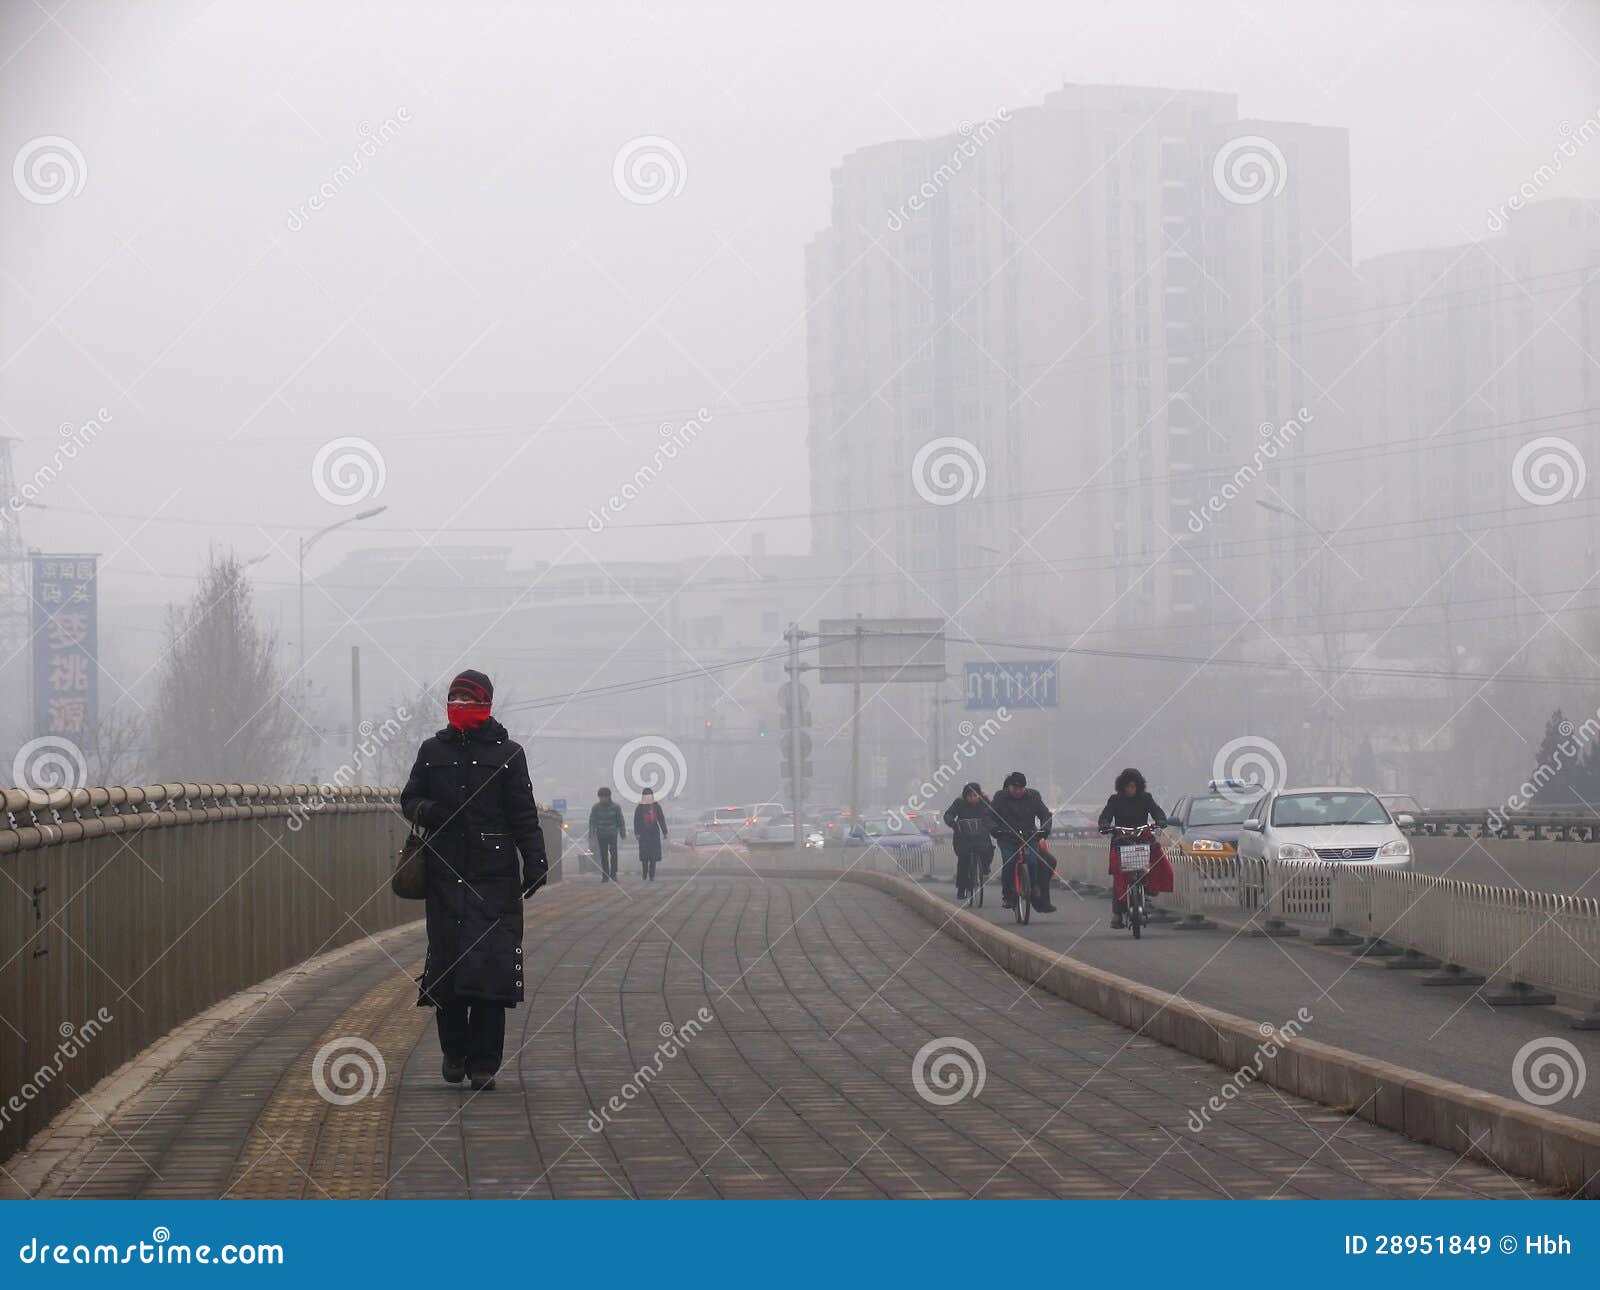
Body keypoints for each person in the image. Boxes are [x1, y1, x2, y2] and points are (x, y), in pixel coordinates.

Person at [401, 669, 546, 1091]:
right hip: (444, 876)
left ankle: (484, 1062)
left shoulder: (509, 754)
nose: (459, 709)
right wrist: (428, 811)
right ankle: (454, 1051)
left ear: (485, 704)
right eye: (454, 701)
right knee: (448, 967)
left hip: (495, 879)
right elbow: (409, 798)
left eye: (468, 702)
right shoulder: (431, 752)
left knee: (491, 971)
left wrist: (535, 860)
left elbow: (524, 813)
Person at [1097, 766, 1172, 929]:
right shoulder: (1114, 800)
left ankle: (1151, 888)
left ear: (1138, 786)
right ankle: (1117, 913)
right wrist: (1104, 825)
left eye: (1133, 786)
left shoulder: (1146, 798)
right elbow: (1105, 816)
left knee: (1158, 858)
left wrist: (1161, 821)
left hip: (1143, 837)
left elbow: (1157, 812)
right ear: (1122, 787)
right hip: (1121, 839)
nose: (1131, 789)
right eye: (1128, 786)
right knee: (1119, 873)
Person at [987, 770, 1055, 912]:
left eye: (1020, 788)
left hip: (1029, 836)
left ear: (1025, 787)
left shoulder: (1033, 797)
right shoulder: (1000, 797)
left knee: (1031, 859)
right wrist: (995, 829)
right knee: (1009, 862)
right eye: (1014, 788)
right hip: (1007, 837)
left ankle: (1034, 886)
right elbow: (989, 817)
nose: (1017, 791)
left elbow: (1045, 814)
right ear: (1009, 787)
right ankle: (1007, 895)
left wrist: (1044, 829)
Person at [942, 782, 995, 900]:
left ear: (979, 795)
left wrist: (993, 826)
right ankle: (961, 889)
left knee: (988, 850)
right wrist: (953, 823)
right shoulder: (959, 803)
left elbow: (994, 815)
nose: (973, 798)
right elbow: (949, 814)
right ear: (965, 796)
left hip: (981, 836)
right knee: (963, 861)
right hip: (963, 837)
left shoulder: (985, 802)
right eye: (970, 796)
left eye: (975, 795)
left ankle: (985, 867)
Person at [588, 786, 625, 882]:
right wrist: (591, 832)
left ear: (609, 797)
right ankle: (605, 875)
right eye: (601, 797)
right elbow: (592, 821)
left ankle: (614, 874)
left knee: (614, 854)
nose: (602, 799)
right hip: (601, 834)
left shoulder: (616, 807)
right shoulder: (596, 807)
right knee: (603, 855)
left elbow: (620, 820)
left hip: (612, 833)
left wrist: (622, 832)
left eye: (604, 797)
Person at [634, 789, 669, 881]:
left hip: (654, 833)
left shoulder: (656, 807)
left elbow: (661, 819)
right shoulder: (639, 808)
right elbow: (636, 821)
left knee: (653, 856)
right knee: (645, 855)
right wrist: (637, 833)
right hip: (643, 834)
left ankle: (652, 874)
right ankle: (645, 872)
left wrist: (664, 832)